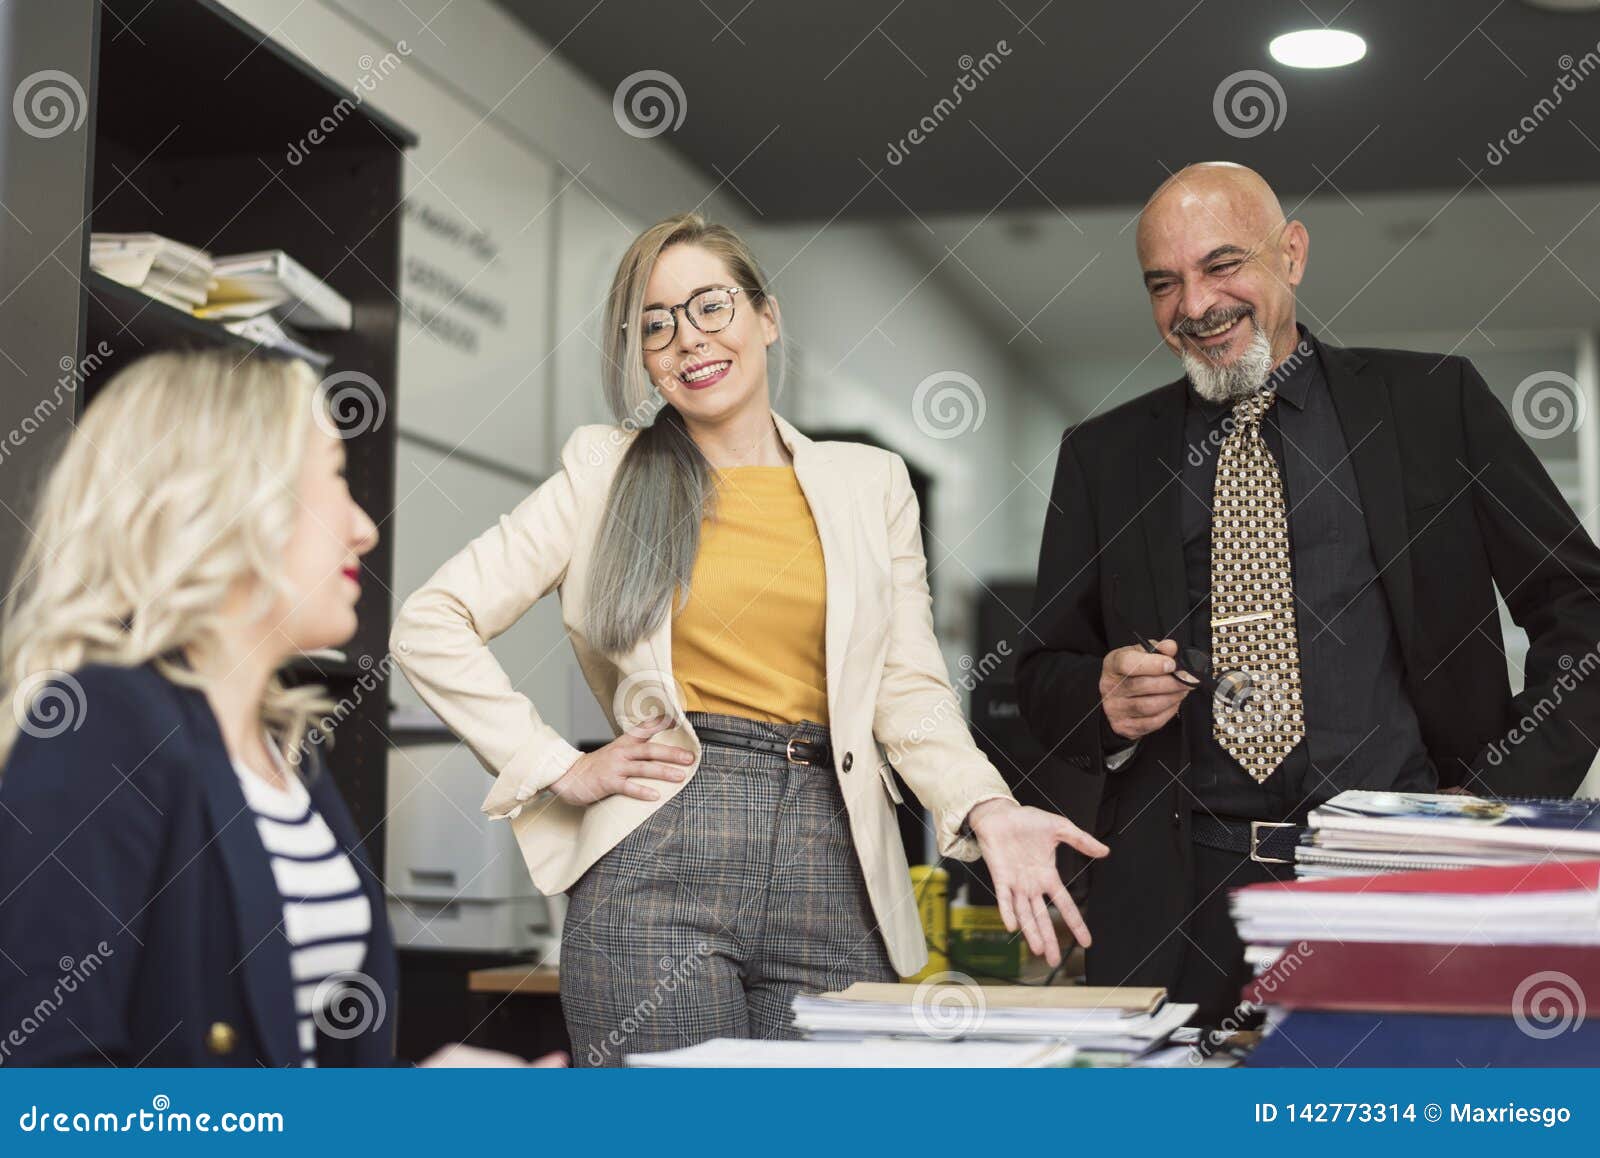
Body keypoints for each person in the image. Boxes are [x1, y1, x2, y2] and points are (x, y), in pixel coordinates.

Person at [391, 211, 1108, 1065]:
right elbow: (431, 620)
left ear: (766, 317)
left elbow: (906, 688)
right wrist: (557, 768)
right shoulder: (605, 470)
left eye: (709, 307)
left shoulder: (868, 482)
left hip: (837, 857)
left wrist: (987, 806)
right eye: (654, 325)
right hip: (657, 854)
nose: (686, 340)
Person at [1014, 162, 1600, 1026]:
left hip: (1401, 874)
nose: (1196, 305)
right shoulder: (1104, 456)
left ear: (1291, 254)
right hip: (1180, 903)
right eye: (1164, 284)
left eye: (1223, 265)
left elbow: (1579, 607)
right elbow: (1039, 676)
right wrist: (1098, 695)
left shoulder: (1436, 404)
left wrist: (1497, 799)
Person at [0, 350, 559, 1068]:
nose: (365, 528)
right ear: (232, 500)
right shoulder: (104, 725)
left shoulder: (288, 753)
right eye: (333, 475)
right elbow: (45, 1115)